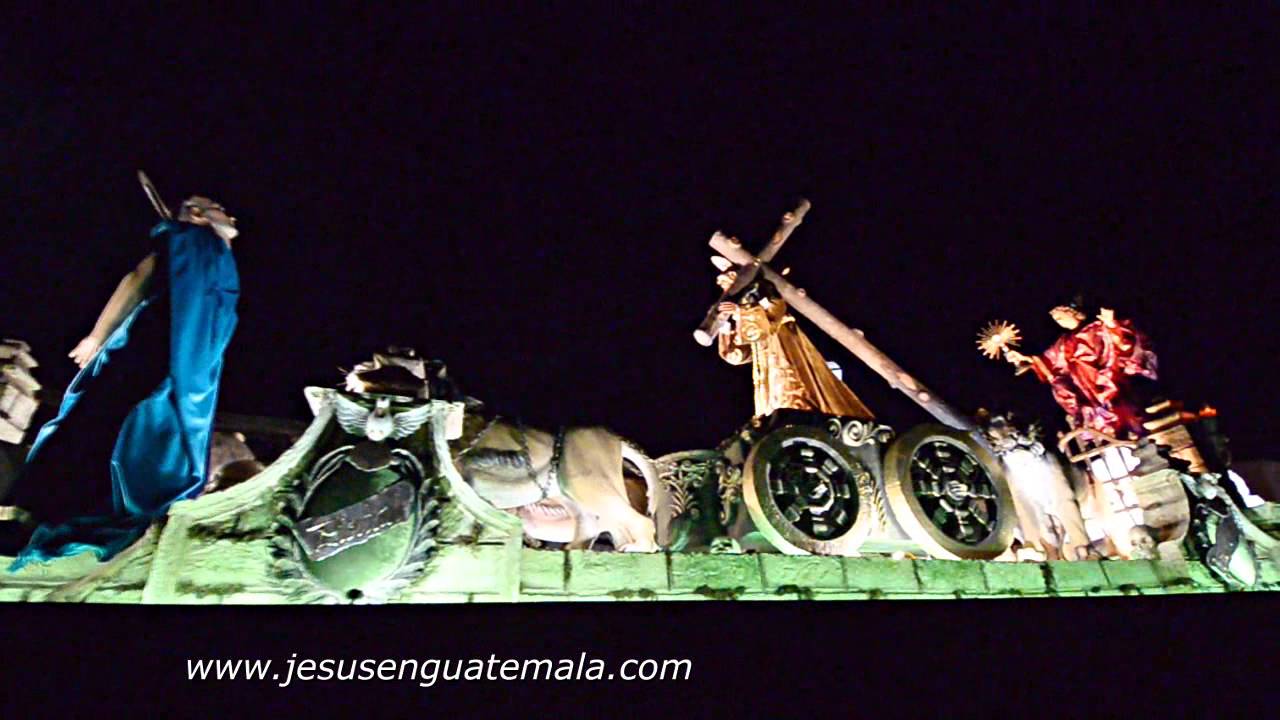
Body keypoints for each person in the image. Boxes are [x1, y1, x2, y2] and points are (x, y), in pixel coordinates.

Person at [0, 196, 240, 568]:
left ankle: (98, 504)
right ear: (196, 214)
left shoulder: (218, 257)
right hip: (155, 345)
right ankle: (50, 506)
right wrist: (97, 337)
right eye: (218, 207)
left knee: (153, 427)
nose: (230, 214)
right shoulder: (186, 239)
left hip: (190, 364)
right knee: (110, 414)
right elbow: (137, 280)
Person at [713, 269, 873, 419]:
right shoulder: (742, 318)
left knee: (790, 385)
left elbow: (775, 312)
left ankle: (798, 410)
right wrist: (726, 327)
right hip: (766, 356)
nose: (726, 291)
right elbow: (738, 354)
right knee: (773, 397)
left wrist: (742, 312)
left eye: (727, 285)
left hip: (783, 341)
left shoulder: (761, 289)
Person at [1004, 298, 1157, 438]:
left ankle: (1138, 434)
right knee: (1096, 413)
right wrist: (1024, 359)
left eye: (1059, 317)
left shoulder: (1096, 328)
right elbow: (1050, 361)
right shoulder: (1065, 342)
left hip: (1105, 377)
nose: (1059, 322)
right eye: (1055, 320)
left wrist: (1111, 325)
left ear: (1072, 313)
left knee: (1123, 410)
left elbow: (1121, 343)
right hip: (1084, 384)